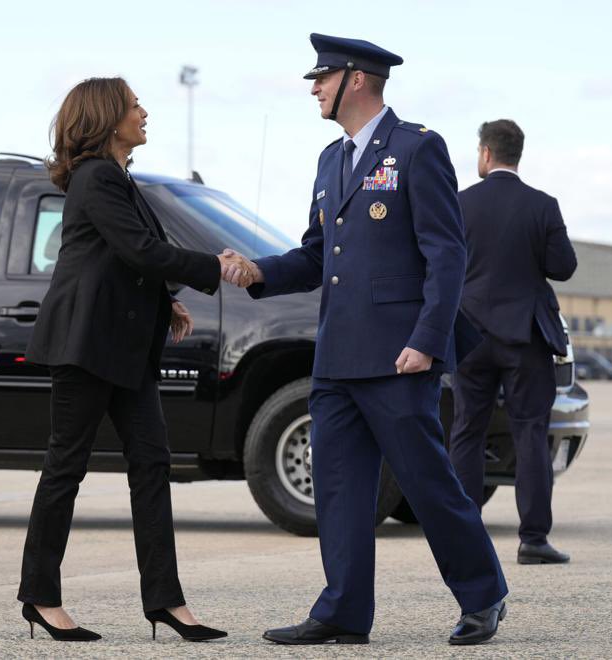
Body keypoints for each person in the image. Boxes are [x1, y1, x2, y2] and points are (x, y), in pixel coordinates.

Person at [222, 35, 508, 646]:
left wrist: (429, 340)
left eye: (321, 79)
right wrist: (260, 271)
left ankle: (484, 594)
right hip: (337, 354)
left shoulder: (416, 149)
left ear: (355, 79)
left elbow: (447, 254)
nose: (314, 89)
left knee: (426, 482)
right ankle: (344, 611)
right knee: (339, 489)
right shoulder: (332, 160)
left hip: (400, 355)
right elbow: (317, 254)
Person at [17, 77, 235, 642]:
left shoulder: (118, 179)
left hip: (124, 347)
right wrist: (216, 266)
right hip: (86, 345)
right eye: (135, 105)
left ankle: (165, 600)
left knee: (152, 464)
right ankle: (40, 597)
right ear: (107, 116)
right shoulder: (97, 177)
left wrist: (166, 301)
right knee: (66, 467)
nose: (144, 112)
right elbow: (140, 250)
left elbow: (126, 256)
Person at [448, 119, 577, 565]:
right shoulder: (542, 205)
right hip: (525, 336)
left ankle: (464, 534)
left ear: (485, 153)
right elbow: (563, 267)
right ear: (517, 154)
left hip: (470, 336)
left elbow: (439, 263)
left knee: (467, 429)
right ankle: (534, 540)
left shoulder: (458, 204)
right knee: (530, 433)